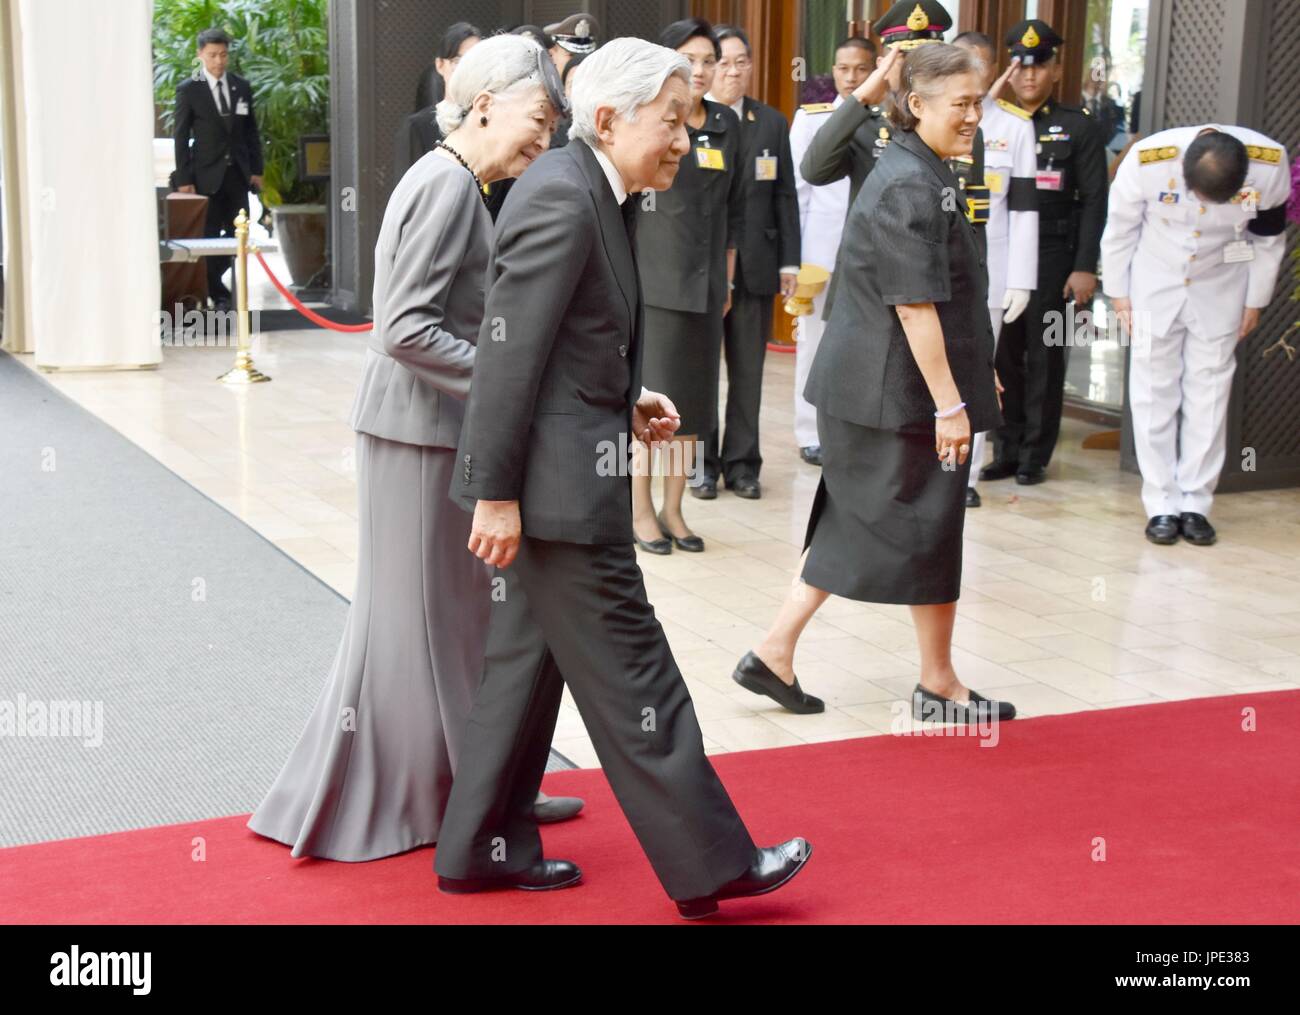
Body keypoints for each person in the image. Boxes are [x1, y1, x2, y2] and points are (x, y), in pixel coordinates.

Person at [433, 37, 811, 920]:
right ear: (608, 119)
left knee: (522, 675)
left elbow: (566, 339)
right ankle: (715, 861)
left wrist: (626, 397)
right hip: (558, 498)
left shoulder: (598, 191)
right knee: (639, 677)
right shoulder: (564, 198)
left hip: (566, 472)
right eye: (672, 121)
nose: (686, 138)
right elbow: (504, 357)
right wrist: (493, 492)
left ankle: (476, 848)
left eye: (692, 121)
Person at [247, 35, 577, 862]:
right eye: (539, 119)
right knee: (420, 622)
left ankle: (473, 787)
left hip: (428, 430)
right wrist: (509, 383)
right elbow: (405, 329)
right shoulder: (446, 184)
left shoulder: (458, 180)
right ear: (486, 101)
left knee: (448, 622)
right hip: (417, 433)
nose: (545, 141)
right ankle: (430, 798)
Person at [732, 42, 1017, 726]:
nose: (974, 116)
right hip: (896, 394)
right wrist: (952, 404)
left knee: (870, 522)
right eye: (961, 105)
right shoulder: (910, 183)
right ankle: (935, 682)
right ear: (915, 106)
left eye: (978, 102)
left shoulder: (920, 165)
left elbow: (949, 298)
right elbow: (914, 306)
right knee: (923, 523)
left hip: (885, 388)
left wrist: (981, 374)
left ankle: (783, 654)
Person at [1101, 126, 1290, 546]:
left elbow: (1268, 238)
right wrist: (1119, 295)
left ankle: (1195, 503)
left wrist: (1255, 300)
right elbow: (1120, 229)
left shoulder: (1270, 163)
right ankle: (1162, 504)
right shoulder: (1149, 160)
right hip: (1154, 283)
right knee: (1153, 392)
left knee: (1210, 394)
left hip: (1222, 286)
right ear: (1184, 173)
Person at [981, 19, 1108, 487]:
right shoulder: (996, 122)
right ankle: (1006, 448)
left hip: (1057, 255)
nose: (1030, 77)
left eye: (1040, 67)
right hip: (1006, 252)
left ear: (1056, 69)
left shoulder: (1078, 127)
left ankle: (1036, 453)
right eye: (1021, 68)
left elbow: (1096, 200)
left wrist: (1084, 267)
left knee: (1047, 355)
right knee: (1004, 355)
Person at [631, 17, 743, 544]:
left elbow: (735, 210)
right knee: (653, 409)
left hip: (706, 288)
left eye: (708, 61)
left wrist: (727, 280)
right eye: (690, 59)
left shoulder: (725, 124)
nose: (700, 70)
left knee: (694, 409)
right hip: (656, 283)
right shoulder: (651, 116)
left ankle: (675, 510)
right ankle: (639, 513)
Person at [701, 25, 801, 501]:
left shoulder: (771, 122)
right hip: (701, 270)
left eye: (742, 61)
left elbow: (785, 196)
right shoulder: (694, 121)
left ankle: (742, 464)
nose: (733, 71)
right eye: (723, 62)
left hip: (757, 266)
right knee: (697, 375)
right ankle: (699, 464)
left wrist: (791, 264)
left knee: (748, 375)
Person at [952, 32, 1039, 509]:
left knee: (979, 372)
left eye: (980, 66)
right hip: (938, 270)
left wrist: (1021, 278)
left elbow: (1025, 208)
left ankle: (964, 473)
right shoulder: (934, 121)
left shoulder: (1014, 128)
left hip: (992, 271)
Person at [789, 38, 871, 467]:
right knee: (813, 343)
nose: (852, 77)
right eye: (843, 68)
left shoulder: (885, 119)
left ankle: (852, 431)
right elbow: (797, 194)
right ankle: (810, 431)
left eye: (860, 69)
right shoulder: (810, 119)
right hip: (819, 253)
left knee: (862, 344)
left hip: (868, 254)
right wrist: (798, 258)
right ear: (832, 71)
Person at [173, 28, 264, 313]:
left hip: (237, 173)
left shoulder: (241, 86)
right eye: (212, 55)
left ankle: (228, 291)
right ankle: (219, 294)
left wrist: (256, 169)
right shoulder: (189, 89)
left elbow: (251, 132)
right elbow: (179, 135)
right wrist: (185, 178)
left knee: (240, 235)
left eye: (223, 54)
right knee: (209, 237)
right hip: (204, 175)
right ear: (200, 55)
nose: (218, 61)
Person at [395, 23, 482, 183]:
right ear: (440, 65)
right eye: (458, 61)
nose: (467, 68)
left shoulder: (489, 121)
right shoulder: (418, 126)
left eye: (475, 60)